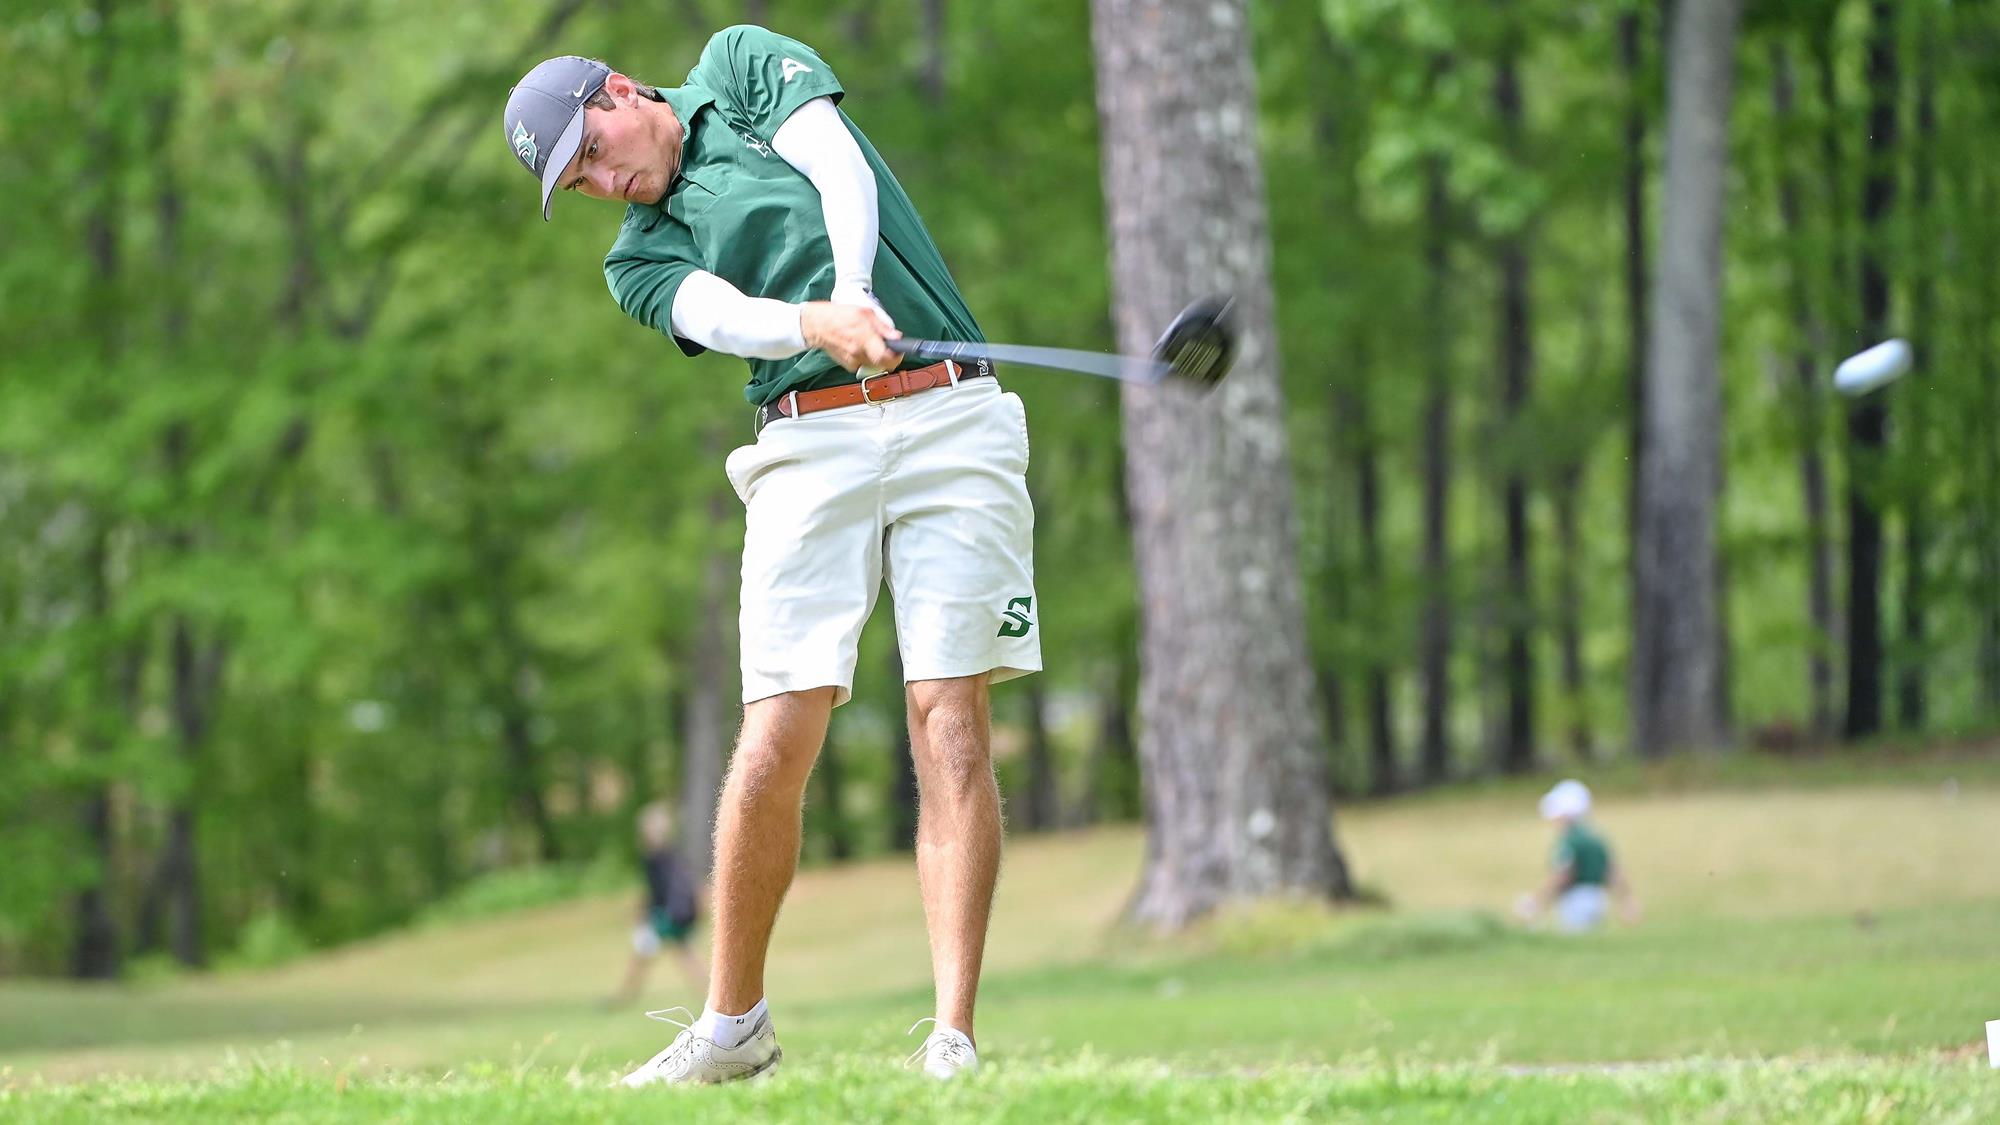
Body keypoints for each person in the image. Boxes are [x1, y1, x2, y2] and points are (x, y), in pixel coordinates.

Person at [502, 25, 1038, 1085]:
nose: (606, 183)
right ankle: (731, 1024)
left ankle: (952, 1040)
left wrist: (852, 287)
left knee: (949, 721)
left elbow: (834, 157)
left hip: (949, 420)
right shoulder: (638, 258)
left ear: (618, 91)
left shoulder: (739, 69)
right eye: (583, 182)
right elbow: (724, 315)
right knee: (773, 735)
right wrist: (813, 319)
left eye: (595, 153)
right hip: (806, 439)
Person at [606, 803, 707, 1008]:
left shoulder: (655, 858)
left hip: (665, 916)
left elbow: (656, 890)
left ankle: (624, 997)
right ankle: (710, 994)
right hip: (675, 915)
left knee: (644, 954)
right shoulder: (671, 855)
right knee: (682, 955)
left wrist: (645, 912)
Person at [1516, 779, 1640, 932]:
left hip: (1576, 900)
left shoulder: (1570, 841)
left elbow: (1563, 875)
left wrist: (1538, 900)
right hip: (1598, 899)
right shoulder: (1595, 838)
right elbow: (1612, 872)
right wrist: (1626, 901)